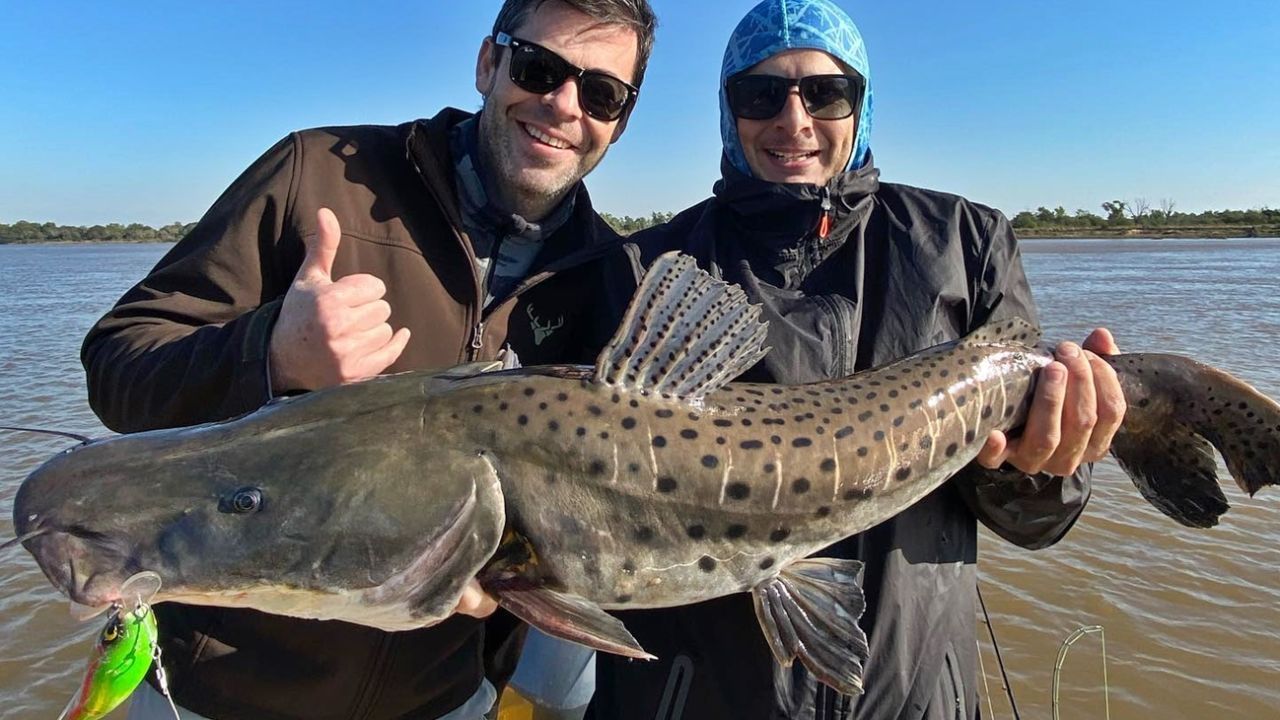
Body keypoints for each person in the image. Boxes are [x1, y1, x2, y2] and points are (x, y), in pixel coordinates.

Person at [79, 1, 656, 718]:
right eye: (539, 68)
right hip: (215, 693)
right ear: (489, 63)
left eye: (600, 92)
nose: (563, 104)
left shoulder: (607, 273)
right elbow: (117, 361)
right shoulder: (316, 177)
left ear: (620, 121)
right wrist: (269, 352)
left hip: (442, 700)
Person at [586, 1, 1126, 718]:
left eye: (825, 92)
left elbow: (1034, 520)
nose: (794, 120)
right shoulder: (645, 266)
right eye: (760, 94)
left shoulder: (967, 242)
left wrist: (1046, 469)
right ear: (728, 110)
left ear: (862, 104)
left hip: (913, 695)